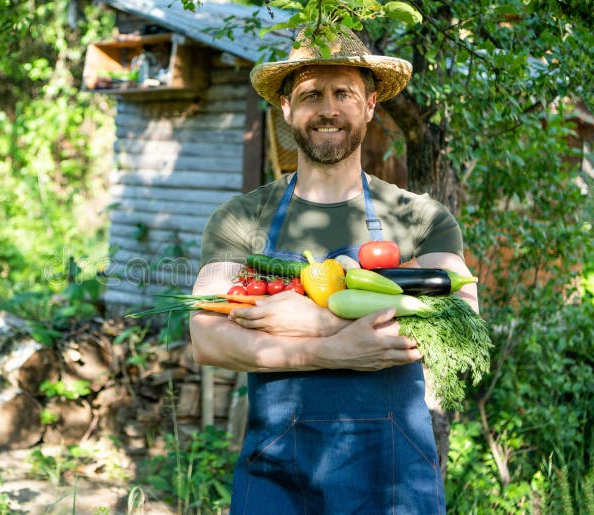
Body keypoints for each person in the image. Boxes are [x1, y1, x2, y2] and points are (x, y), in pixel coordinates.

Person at [189, 26, 479, 514]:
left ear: (369, 103)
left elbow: (461, 324)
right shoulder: (241, 219)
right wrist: (332, 348)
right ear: (285, 107)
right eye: (311, 94)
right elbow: (207, 337)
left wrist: (314, 319)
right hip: (277, 477)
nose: (328, 108)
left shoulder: (420, 218)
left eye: (343, 92)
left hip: (392, 483)